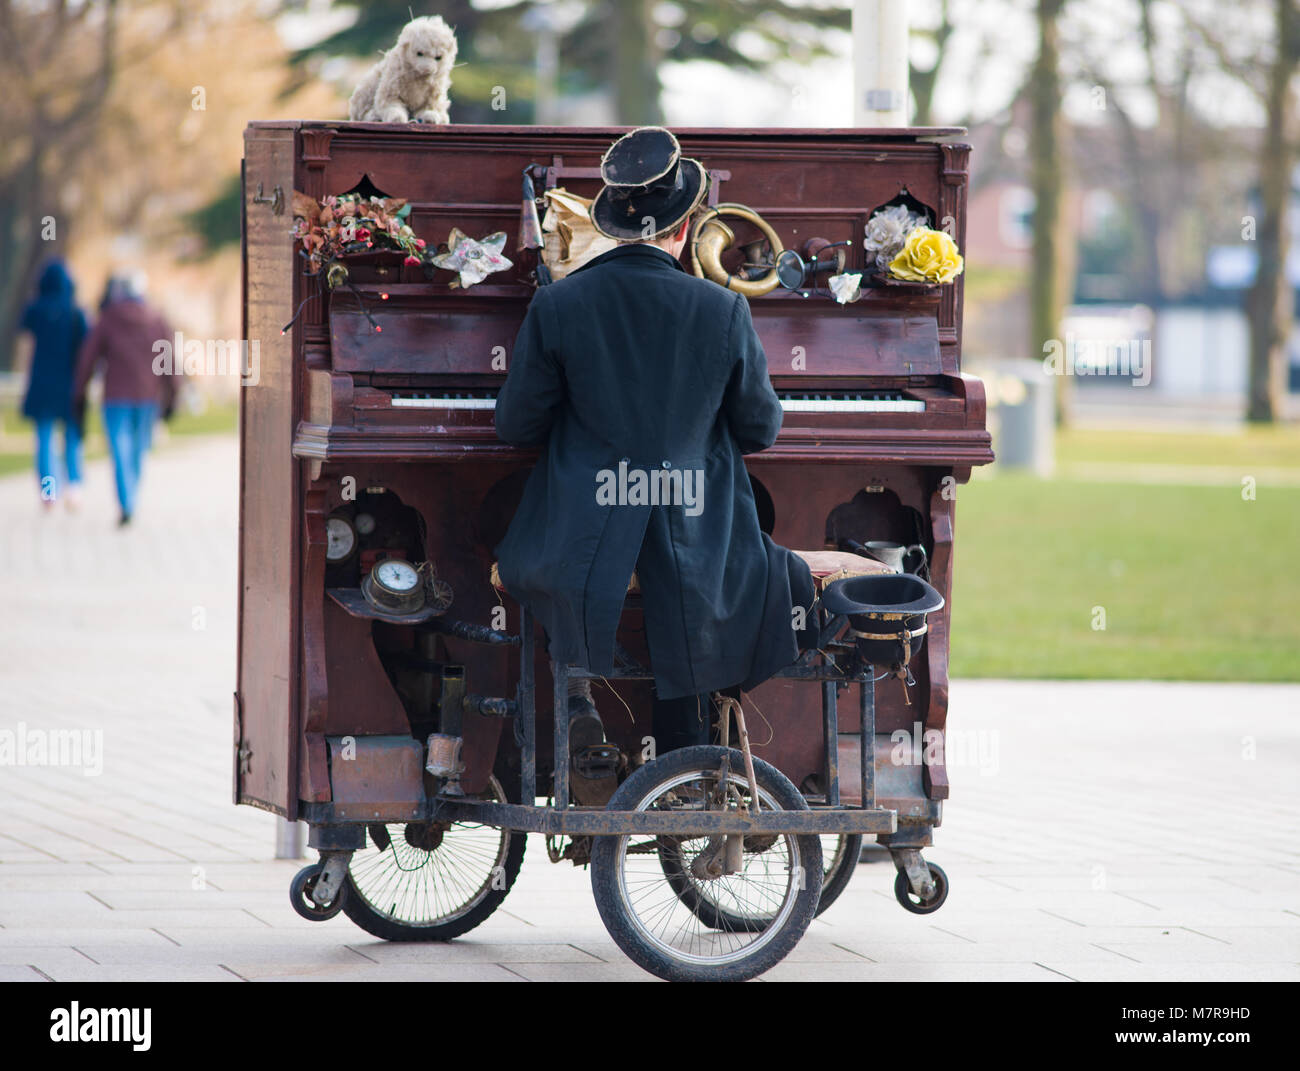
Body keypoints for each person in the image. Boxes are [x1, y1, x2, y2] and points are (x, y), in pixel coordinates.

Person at [494, 127, 814, 797]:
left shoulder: (557, 302)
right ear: (687, 225)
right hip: (697, 536)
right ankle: (685, 761)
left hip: (582, 537)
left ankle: (576, 699)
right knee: (690, 579)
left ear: (608, 224)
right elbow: (760, 428)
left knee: (542, 551)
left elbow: (514, 423)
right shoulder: (723, 308)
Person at [73, 273, 177, 526]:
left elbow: (88, 358)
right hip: (147, 395)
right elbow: (169, 361)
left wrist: (80, 391)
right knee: (138, 450)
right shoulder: (156, 319)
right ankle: (131, 498)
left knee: (119, 449)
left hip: (115, 395)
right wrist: (172, 395)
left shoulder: (108, 319)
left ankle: (126, 501)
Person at [19, 260, 88, 510]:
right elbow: (85, 350)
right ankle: (74, 489)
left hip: (42, 384)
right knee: (71, 438)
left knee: (45, 440)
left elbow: (25, 341)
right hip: (70, 384)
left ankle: (49, 493)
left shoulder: (35, 310)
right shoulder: (76, 312)